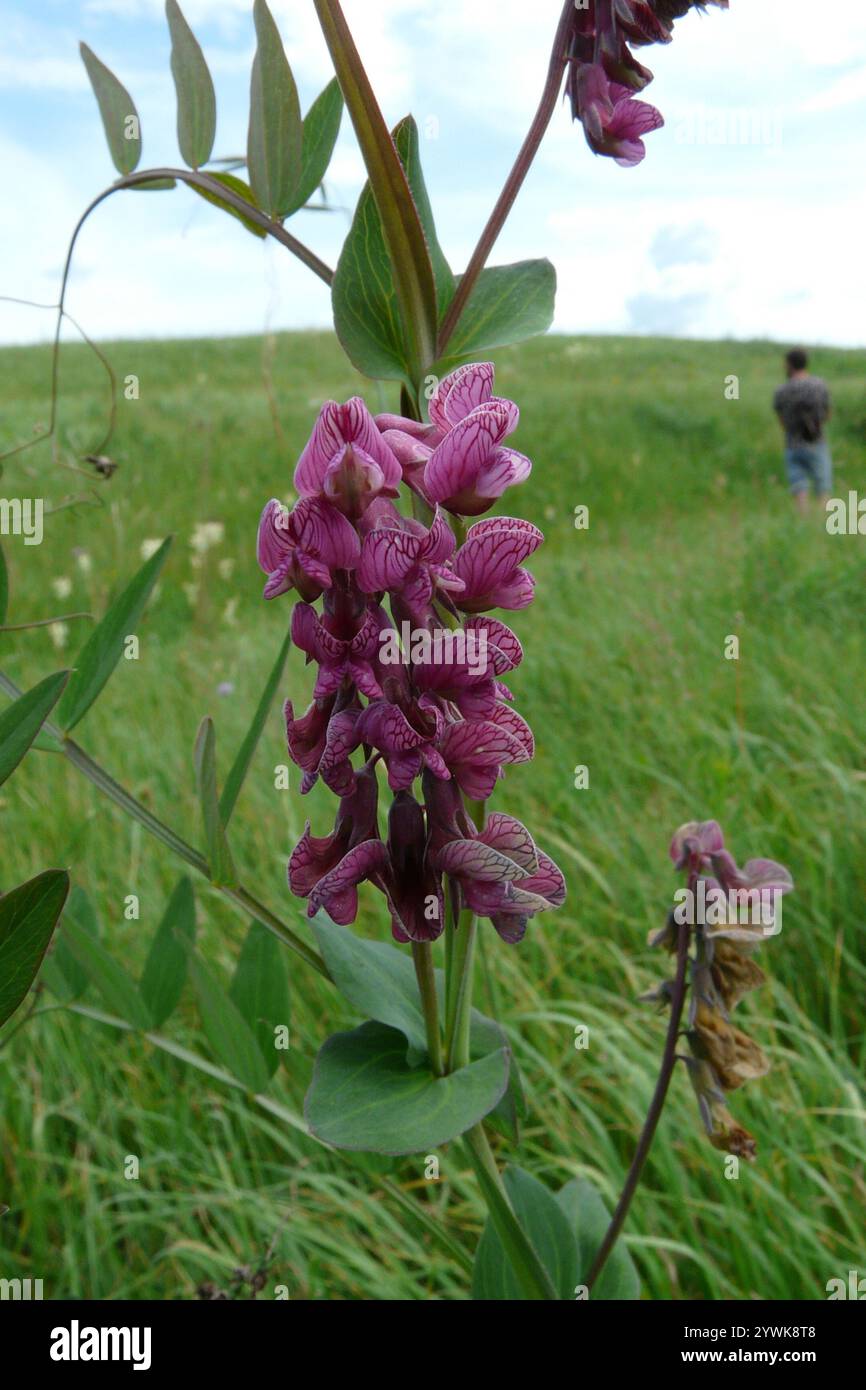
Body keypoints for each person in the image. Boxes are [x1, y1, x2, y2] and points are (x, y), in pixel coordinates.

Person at [772, 348, 832, 513]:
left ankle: (804, 520)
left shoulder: (781, 391)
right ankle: (823, 523)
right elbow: (827, 415)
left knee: (799, 485)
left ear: (789, 364)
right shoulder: (820, 385)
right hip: (817, 441)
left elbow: (782, 421)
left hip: (792, 443)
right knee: (822, 486)